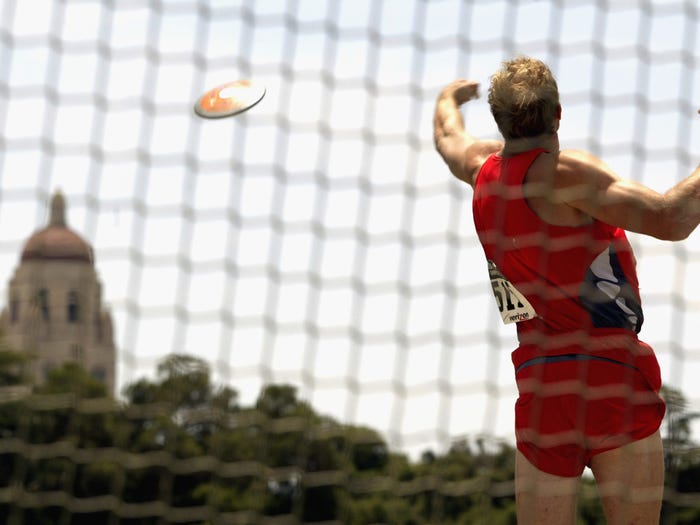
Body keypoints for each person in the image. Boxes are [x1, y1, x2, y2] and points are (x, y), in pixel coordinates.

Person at [433, 56, 700, 524]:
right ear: (558, 114)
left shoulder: (481, 171)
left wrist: (448, 99)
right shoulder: (566, 174)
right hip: (612, 377)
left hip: (541, 389)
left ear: (500, 121)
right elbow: (670, 219)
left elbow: (447, 137)